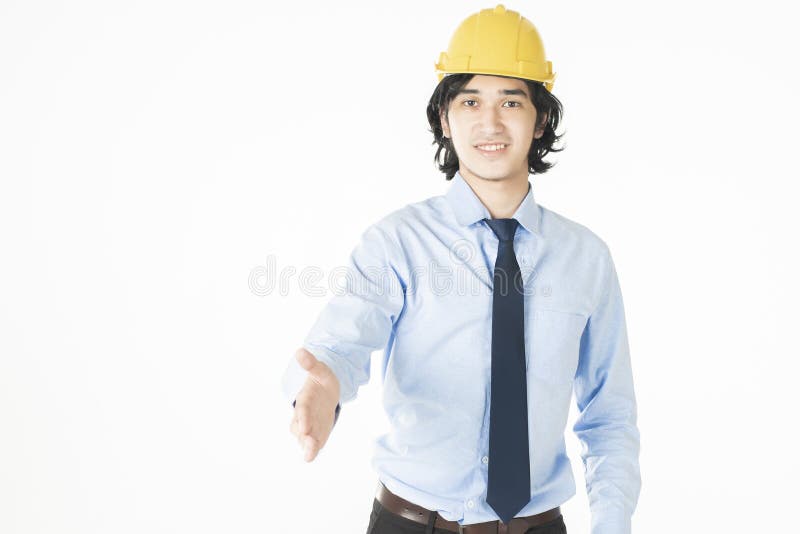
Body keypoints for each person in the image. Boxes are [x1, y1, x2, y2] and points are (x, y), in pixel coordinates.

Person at [283, 4, 641, 534]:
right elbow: (340, 347)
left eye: (511, 101)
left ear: (540, 119)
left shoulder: (586, 258)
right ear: (445, 119)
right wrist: (321, 391)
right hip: (411, 523)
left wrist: (612, 525)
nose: (490, 122)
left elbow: (608, 415)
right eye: (470, 100)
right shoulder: (397, 242)